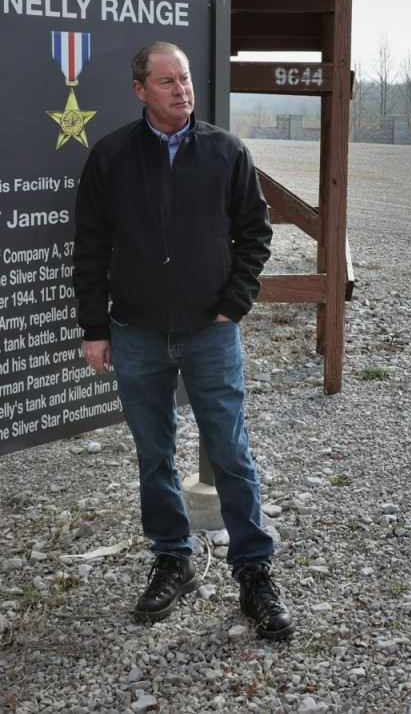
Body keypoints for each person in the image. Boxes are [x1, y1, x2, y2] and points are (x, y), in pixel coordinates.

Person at [72, 40, 293, 640]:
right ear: (140, 90)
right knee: (155, 456)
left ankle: (253, 571)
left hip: (209, 333)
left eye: (186, 79)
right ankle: (173, 558)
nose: (182, 90)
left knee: (230, 453)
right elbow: (89, 246)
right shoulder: (112, 156)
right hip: (136, 333)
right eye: (167, 82)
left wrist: (233, 305)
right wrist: (94, 327)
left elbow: (255, 232)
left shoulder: (226, 152)